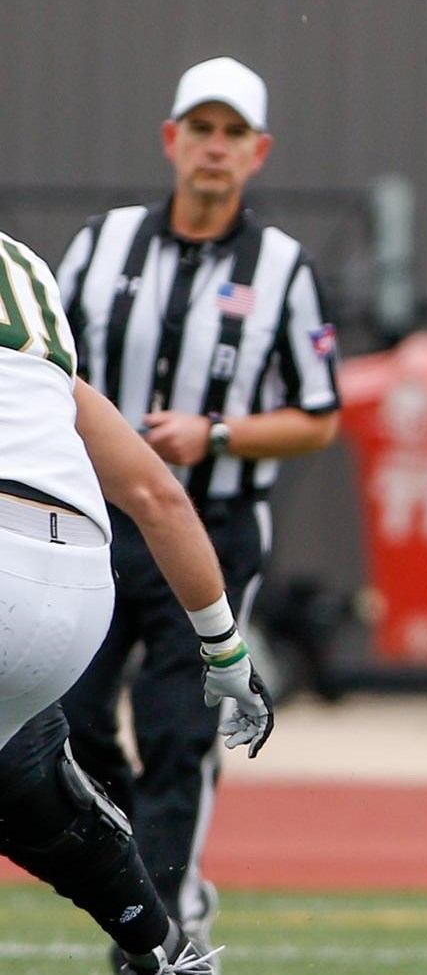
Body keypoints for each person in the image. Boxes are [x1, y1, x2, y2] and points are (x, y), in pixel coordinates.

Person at [55, 56, 340, 961]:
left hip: (212, 530)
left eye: (233, 135)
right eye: (201, 130)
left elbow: (319, 419)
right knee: (76, 718)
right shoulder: (102, 247)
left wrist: (215, 434)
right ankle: (152, 874)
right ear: (172, 141)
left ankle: (164, 923)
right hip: (99, 526)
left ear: (258, 154)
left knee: (180, 732)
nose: (215, 150)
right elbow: (44, 369)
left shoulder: (284, 270)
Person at [0, 228, 274, 974]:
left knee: (21, 775)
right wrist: (224, 650)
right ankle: (155, 945)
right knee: (16, 764)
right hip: (82, 585)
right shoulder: (41, 349)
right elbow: (159, 497)